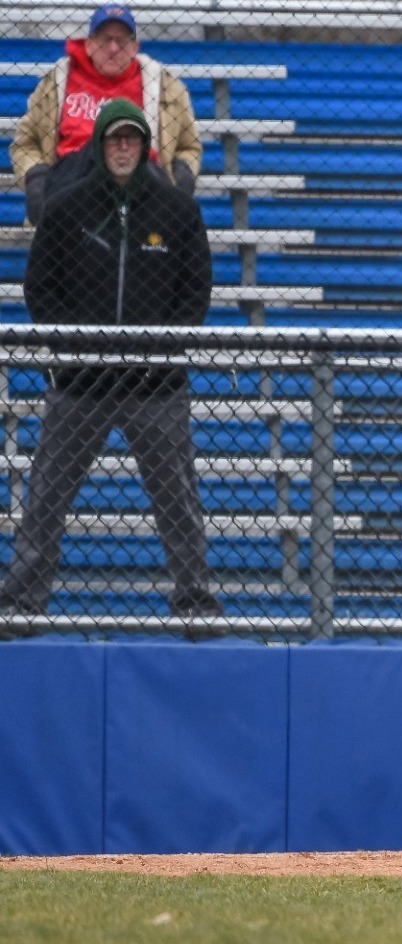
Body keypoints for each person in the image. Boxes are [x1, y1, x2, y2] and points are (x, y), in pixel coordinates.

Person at [3, 100, 220, 635]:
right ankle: (21, 604)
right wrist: (76, 352)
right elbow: (39, 289)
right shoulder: (66, 207)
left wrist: (159, 356)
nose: (123, 148)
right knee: (47, 494)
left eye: (132, 139)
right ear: (99, 145)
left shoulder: (178, 211)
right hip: (82, 383)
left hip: (155, 386)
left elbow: (194, 294)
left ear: (145, 145)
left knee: (178, 499)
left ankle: (195, 603)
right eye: (114, 139)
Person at [10, 4, 203, 226]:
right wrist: (36, 176)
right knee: (96, 146)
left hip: (140, 185)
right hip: (73, 181)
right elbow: (25, 142)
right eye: (105, 39)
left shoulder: (164, 85)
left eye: (121, 41)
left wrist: (182, 176)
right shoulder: (57, 82)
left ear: (134, 47)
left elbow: (189, 147)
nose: (113, 48)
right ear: (89, 44)